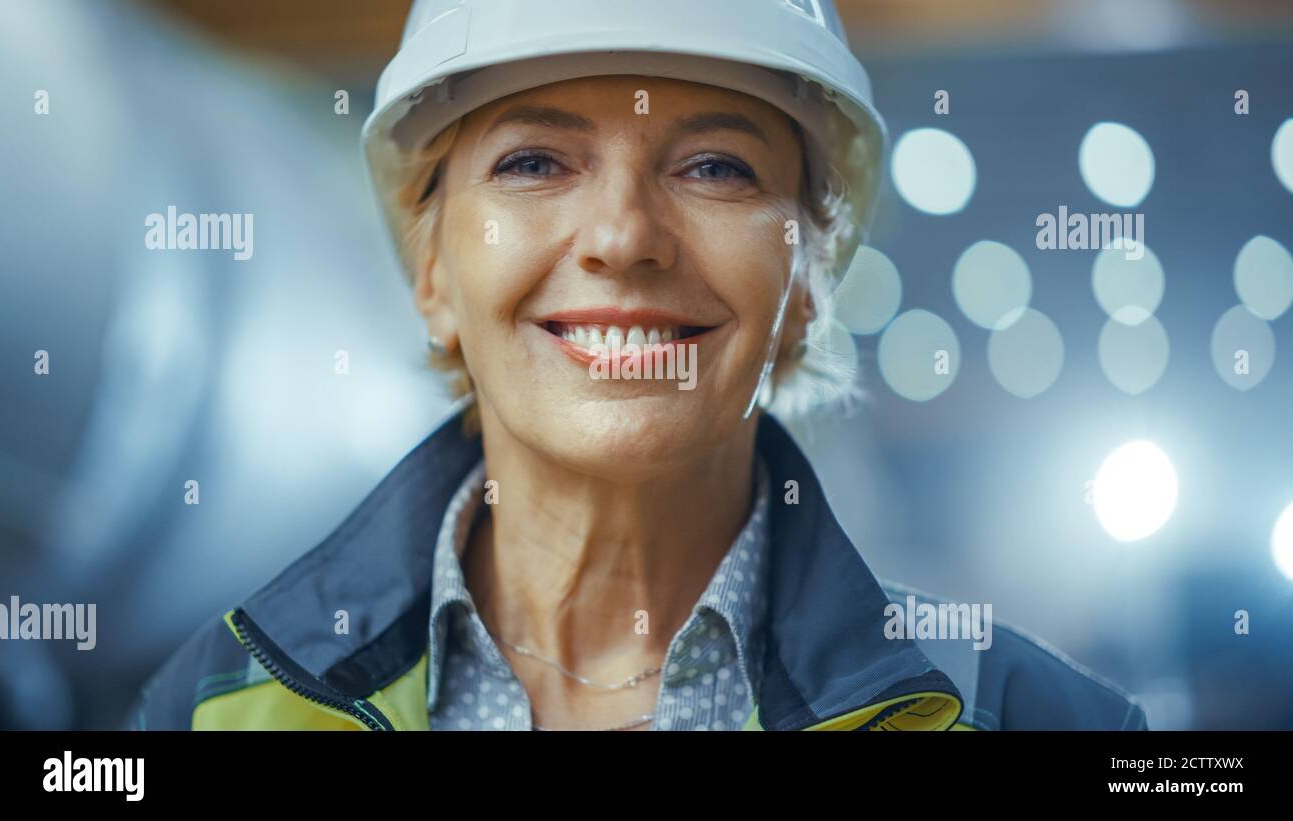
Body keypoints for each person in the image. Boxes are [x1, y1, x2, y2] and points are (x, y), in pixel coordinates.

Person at [124, 0, 1145, 731]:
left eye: (715, 167)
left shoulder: (1030, 718)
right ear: (431, 270)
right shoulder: (213, 706)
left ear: (806, 284)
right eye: (533, 161)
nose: (622, 235)